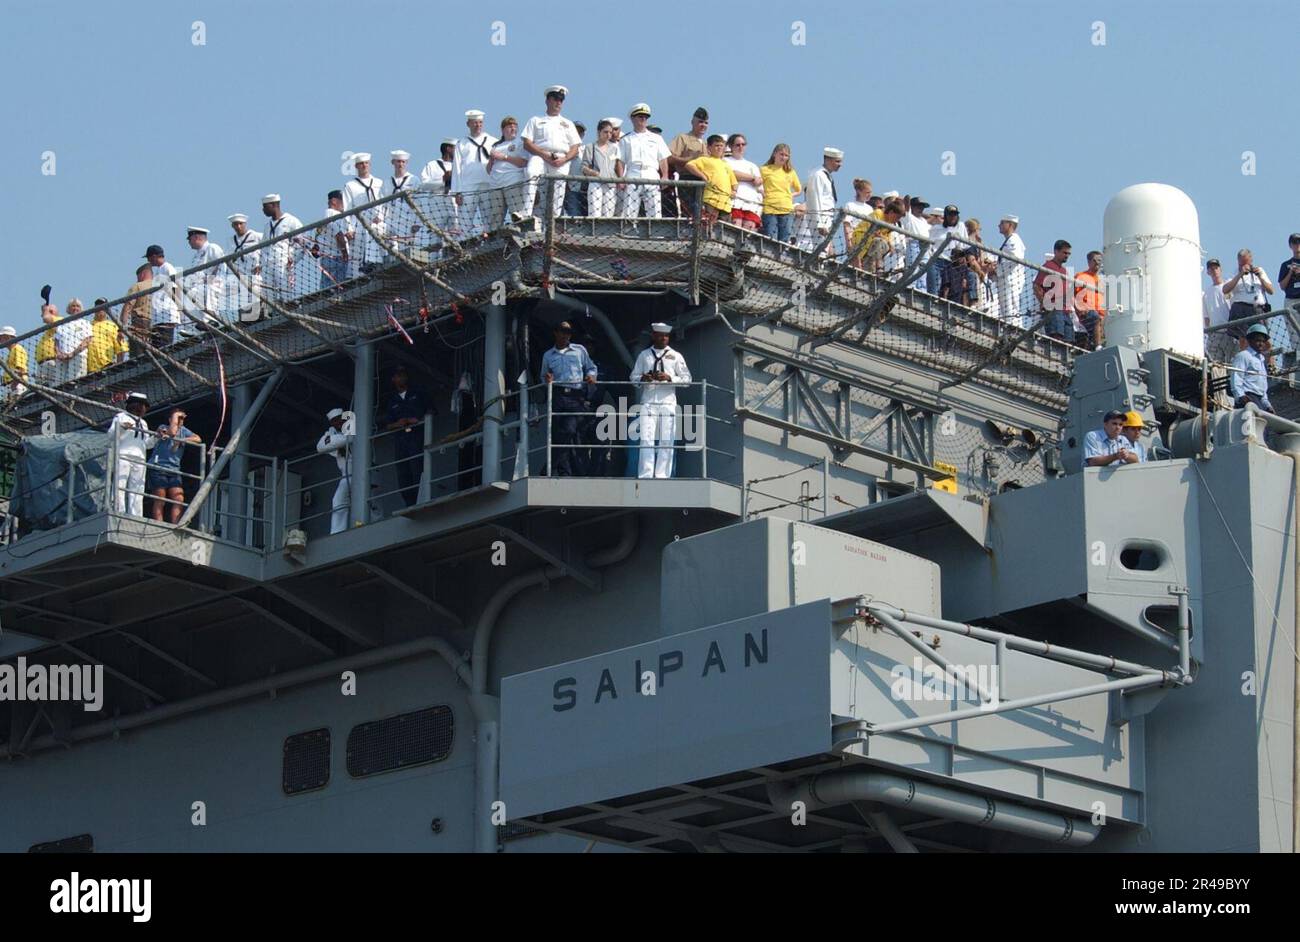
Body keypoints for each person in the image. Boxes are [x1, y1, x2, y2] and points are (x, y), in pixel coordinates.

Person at [631, 321, 691, 479]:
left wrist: (670, 377)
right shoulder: (644, 355)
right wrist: (643, 378)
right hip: (649, 401)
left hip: (667, 402)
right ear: (654, 336)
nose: (664, 338)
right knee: (646, 439)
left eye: (666, 335)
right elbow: (633, 377)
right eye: (661, 335)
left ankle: (662, 475)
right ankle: (645, 474)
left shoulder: (676, 356)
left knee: (667, 439)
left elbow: (687, 379)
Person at [542, 321, 598, 476]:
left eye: (568, 332)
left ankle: (550, 465)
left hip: (575, 396)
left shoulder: (579, 350)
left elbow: (591, 367)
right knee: (559, 433)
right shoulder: (548, 355)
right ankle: (564, 471)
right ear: (556, 332)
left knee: (569, 430)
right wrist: (547, 380)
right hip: (558, 396)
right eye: (562, 331)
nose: (566, 334)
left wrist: (591, 376)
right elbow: (543, 377)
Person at [521, 85, 581, 218]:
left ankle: (553, 220)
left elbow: (575, 147)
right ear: (547, 100)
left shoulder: (567, 123)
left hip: (561, 159)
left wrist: (564, 159)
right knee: (531, 172)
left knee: (558, 191)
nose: (558, 103)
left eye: (561, 100)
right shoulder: (535, 120)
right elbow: (527, 143)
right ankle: (526, 213)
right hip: (540, 156)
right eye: (555, 99)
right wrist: (544, 155)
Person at [383, 366, 431, 507]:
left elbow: (431, 410)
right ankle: (409, 504)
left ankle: (420, 500)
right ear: (393, 379)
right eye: (398, 375)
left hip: (417, 437)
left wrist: (416, 419)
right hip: (401, 441)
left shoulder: (418, 393)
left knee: (417, 469)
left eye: (403, 375)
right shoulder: (393, 401)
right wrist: (399, 423)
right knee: (403, 473)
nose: (401, 378)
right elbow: (388, 425)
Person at [617, 103, 671, 221]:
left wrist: (665, 175)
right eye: (640, 116)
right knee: (629, 211)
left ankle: (656, 236)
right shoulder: (626, 139)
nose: (643, 119)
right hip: (633, 173)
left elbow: (663, 159)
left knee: (655, 211)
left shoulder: (656, 138)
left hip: (651, 173)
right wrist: (621, 179)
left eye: (645, 117)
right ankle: (628, 235)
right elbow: (620, 161)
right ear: (632, 118)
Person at [450, 111, 498, 236]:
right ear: (468, 124)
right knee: (465, 220)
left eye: (480, 122)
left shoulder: (493, 141)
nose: (478, 125)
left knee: (489, 219)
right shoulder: (461, 144)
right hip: (468, 186)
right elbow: (456, 168)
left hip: (487, 183)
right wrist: (457, 191)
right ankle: (463, 248)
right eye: (475, 122)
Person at [148, 408, 200, 523]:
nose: (180, 420)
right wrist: (176, 416)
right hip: (159, 467)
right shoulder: (163, 427)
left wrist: (183, 439)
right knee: (160, 498)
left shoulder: (184, 431)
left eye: (181, 418)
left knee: (178, 498)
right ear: (170, 419)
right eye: (177, 418)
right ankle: (158, 524)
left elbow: (198, 438)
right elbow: (172, 432)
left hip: (174, 469)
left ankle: (175, 524)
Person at [109, 391, 157, 517]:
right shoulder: (121, 417)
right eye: (141, 405)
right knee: (120, 485)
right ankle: (118, 511)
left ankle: (136, 515)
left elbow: (146, 444)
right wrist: (122, 428)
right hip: (123, 455)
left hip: (140, 458)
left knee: (138, 488)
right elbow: (111, 435)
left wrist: (156, 437)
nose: (143, 408)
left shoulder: (144, 423)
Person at [341, 154, 387, 274]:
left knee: (382, 246)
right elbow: (346, 209)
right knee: (357, 258)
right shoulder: (350, 185)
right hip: (359, 224)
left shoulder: (379, 182)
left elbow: (385, 204)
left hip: (377, 222)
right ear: (356, 166)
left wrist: (381, 217)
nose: (364, 166)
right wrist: (348, 228)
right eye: (361, 164)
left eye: (366, 163)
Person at [683, 135, 738, 227]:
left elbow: (734, 182)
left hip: (725, 201)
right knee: (710, 222)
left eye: (721, 145)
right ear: (709, 147)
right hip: (711, 198)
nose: (719, 148)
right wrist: (702, 175)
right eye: (716, 145)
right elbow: (689, 165)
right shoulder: (705, 160)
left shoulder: (726, 164)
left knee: (725, 226)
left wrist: (734, 191)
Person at [259, 195, 305, 302]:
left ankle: (288, 306)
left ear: (274, 205)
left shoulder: (291, 221)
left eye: (265, 207)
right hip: (268, 264)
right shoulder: (267, 226)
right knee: (268, 293)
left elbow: (303, 244)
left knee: (285, 291)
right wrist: (261, 263)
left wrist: (293, 258)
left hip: (283, 263)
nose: (263, 210)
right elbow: (264, 248)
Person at [796, 147, 843, 252]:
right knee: (819, 249)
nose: (840, 165)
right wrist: (820, 223)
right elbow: (815, 199)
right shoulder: (819, 175)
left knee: (823, 250)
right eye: (837, 161)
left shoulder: (827, 176)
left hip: (827, 218)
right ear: (828, 160)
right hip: (819, 218)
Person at [1222, 248, 1274, 342]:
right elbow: (1225, 290)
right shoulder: (1232, 274)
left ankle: (1266, 356)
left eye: (1246, 263)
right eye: (1241, 263)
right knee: (1244, 341)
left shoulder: (1259, 270)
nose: (1244, 266)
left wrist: (1260, 277)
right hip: (1240, 310)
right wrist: (1240, 274)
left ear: (1251, 260)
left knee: (1264, 341)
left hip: (1258, 309)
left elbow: (1271, 291)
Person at [668, 107, 710, 219]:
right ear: (692, 122)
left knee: (704, 215)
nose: (703, 125)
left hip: (706, 183)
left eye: (706, 123)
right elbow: (668, 158)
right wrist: (690, 159)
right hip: (688, 180)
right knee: (690, 213)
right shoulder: (683, 138)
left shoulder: (708, 144)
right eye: (700, 122)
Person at [487, 116, 530, 224]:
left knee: (517, 215)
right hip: (495, 185)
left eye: (515, 126)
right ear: (503, 130)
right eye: (509, 126)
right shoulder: (496, 146)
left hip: (513, 183)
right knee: (495, 218)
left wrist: (504, 157)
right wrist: (491, 159)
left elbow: (524, 162)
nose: (513, 129)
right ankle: (494, 240)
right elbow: (488, 170)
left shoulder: (520, 143)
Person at [317, 407, 354, 534]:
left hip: (365, 471)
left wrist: (336, 442)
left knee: (371, 502)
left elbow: (350, 438)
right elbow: (320, 447)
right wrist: (341, 442)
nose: (338, 423)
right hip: (346, 475)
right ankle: (337, 533)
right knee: (338, 501)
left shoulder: (353, 423)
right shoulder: (332, 432)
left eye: (339, 419)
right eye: (334, 421)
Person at [182, 226, 225, 332]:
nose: (189, 242)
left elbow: (222, 264)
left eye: (189, 239)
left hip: (214, 283)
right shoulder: (196, 256)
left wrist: (214, 278)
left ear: (196, 237)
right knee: (187, 299)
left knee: (207, 289)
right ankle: (192, 329)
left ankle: (210, 320)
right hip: (199, 286)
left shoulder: (212, 247)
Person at [759, 144, 801, 243]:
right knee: (770, 237)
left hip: (786, 208)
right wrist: (761, 191)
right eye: (781, 154)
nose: (783, 157)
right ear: (774, 154)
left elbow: (798, 189)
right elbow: (757, 184)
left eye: (786, 155)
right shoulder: (764, 169)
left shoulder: (790, 172)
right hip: (770, 208)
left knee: (784, 239)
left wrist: (791, 195)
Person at [1033, 240, 1074, 340]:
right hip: (1054, 308)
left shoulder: (1064, 271)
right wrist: (1044, 303)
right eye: (1064, 253)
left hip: (1065, 311)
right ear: (1056, 251)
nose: (1067, 256)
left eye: (1068, 254)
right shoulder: (1048, 267)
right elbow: (1037, 285)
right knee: (1056, 336)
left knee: (1069, 340)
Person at [581, 119, 622, 218]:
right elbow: (584, 166)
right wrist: (593, 173)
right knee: (594, 212)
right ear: (599, 132)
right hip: (596, 183)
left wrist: (620, 180)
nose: (608, 135)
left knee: (608, 214)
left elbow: (618, 165)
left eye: (610, 133)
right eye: (605, 132)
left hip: (610, 184)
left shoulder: (615, 148)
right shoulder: (590, 147)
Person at [226, 213, 262, 321]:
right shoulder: (231, 241)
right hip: (239, 275)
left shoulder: (257, 236)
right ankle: (246, 322)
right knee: (243, 302)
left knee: (256, 296)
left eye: (240, 224)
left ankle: (259, 318)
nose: (238, 227)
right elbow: (228, 260)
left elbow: (267, 251)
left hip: (254, 273)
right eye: (235, 225)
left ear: (245, 224)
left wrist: (262, 265)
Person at [1231, 323, 1274, 413]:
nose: (1261, 344)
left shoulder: (1261, 360)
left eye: (1263, 341)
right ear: (1250, 340)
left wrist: (1267, 405)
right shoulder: (1243, 356)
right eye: (1258, 340)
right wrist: (1241, 397)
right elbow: (1236, 378)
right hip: (1248, 397)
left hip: (1259, 401)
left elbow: (1263, 386)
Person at [724, 134, 763, 231]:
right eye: (737, 145)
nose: (741, 147)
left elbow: (759, 183)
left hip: (751, 204)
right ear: (731, 146)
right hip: (734, 203)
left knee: (748, 234)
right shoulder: (725, 161)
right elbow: (732, 174)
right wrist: (752, 178)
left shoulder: (752, 165)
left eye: (743, 144)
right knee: (734, 231)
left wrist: (754, 179)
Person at [145, 244, 182, 345]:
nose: (148, 261)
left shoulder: (167, 267)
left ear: (154, 256)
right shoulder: (158, 270)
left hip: (167, 314)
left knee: (164, 344)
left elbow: (177, 285)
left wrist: (179, 307)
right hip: (159, 316)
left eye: (149, 258)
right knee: (157, 344)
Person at [994, 214, 1027, 325]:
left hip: (1011, 279)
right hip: (1004, 279)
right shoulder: (1009, 241)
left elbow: (1014, 259)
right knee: (1006, 306)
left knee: (1011, 305)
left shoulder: (1014, 241)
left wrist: (997, 271)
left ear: (1010, 225)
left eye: (1002, 223)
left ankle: (1014, 328)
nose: (999, 225)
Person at [927, 205, 966, 294]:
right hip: (936, 260)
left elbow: (963, 246)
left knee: (949, 289)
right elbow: (928, 243)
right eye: (950, 215)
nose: (952, 217)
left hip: (951, 263)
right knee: (934, 287)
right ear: (945, 216)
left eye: (954, 215)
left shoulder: (960, 227)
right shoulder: (936, 228)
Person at [315, 191, 350, 289]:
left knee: (326, 290)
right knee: (336, 290)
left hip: (326, 258)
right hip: (336, 258)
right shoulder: (332, 213)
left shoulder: (324, 216)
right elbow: (338, 234)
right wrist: (345, 253)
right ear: (334, 201)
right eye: (343, 201)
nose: (345, 205)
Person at [86, 298, 129, 373]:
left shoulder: (113, 326)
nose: (99, 309)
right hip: (89, 370)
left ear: (107, 309)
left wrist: (118, 369)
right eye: (97, 306)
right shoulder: (87, 326)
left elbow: (121, 349)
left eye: (102, 307)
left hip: (107, 368)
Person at [1073, 250, 1106, 349]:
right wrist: (1079, 309)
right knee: (1095, 319)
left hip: (1100, 315)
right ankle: (1098, 347)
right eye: (1095, 260)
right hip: (1086, 312)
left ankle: (1093, 347)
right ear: (1089, 262)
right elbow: (1073, 295)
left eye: (1100, 261)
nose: (1097, 263)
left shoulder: (1101, 280)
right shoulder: (1081, 276)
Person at [55, 298, 92, 384]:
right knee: (58, 384)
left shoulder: (85, 323)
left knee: (75, 382)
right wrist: (59, 354)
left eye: (77, 306)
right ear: (69, 309)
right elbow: (56, 341)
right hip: (61, 359)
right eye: (73, 306)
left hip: (78, 356)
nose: (75, 308)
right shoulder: (62, 324)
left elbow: (88, 340)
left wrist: (72, 354)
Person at [122, 264, 155, 355]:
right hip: (156, 325)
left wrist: (122, 327)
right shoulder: (159, 286)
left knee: (137, 355)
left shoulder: (137, 286)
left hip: (139, 323)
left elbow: (128, 306)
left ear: (142, 274)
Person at [35, 304, 61, 386]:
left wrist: (46, 309)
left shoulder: (59, 319)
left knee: (52, 387)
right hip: (43, 364)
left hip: (51, 362)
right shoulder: (48, 331)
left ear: (51, 312)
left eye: (43, 312)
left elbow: (46, 318)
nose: (42, 315)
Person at [0, 325, 28, 403]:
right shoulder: (11, 352)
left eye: (1, 337)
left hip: (16, 384)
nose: (0, 340)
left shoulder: (17, 349)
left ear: (8, 337)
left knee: (16, 407)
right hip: (10, 385)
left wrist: (15, 384)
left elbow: (20, 369)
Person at [842, 178, 874, 247]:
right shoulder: (850, 205)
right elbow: (847, 225)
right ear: (859, 191)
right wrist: (849, 244)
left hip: (868, 242)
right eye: (867, 192)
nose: (870, 195)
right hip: (855, 241)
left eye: (871, 192)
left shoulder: (870, 208)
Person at [1203, 258, 1230, 329]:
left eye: (1216, 268)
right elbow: (1206, 317)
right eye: (1211, 269)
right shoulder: (1206, 294)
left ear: (1220, 269)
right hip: (1216, 331)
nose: (1214, 271)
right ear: (1208, 273)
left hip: (1230, 327)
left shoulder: (1229, 285)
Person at [1277, 234, 1300, 312]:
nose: (1297, 244)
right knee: (1293, 323)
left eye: (1299, 242)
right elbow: (1282, 286)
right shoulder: (1285, 265)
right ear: (1290, 245)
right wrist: (1290, 272)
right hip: (1291, 300)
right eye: (1294, 242)